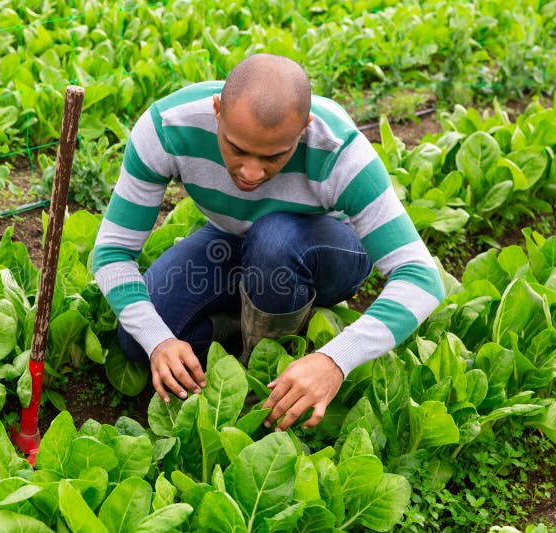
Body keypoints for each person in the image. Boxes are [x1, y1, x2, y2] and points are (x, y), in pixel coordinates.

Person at [91, 54, 444, 431]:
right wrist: (159, 340)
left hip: (327, 252)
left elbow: (421, 279)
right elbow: (113, 252)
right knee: (137, 340)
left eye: (274, 156)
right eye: (237, 148)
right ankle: (243, 319)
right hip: (235, 240)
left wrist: (335, 359)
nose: (251, 173)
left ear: (304, 128)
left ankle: (273, 372)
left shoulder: (341, 152)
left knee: (275, 239)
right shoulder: (167, 129)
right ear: (216, 112)